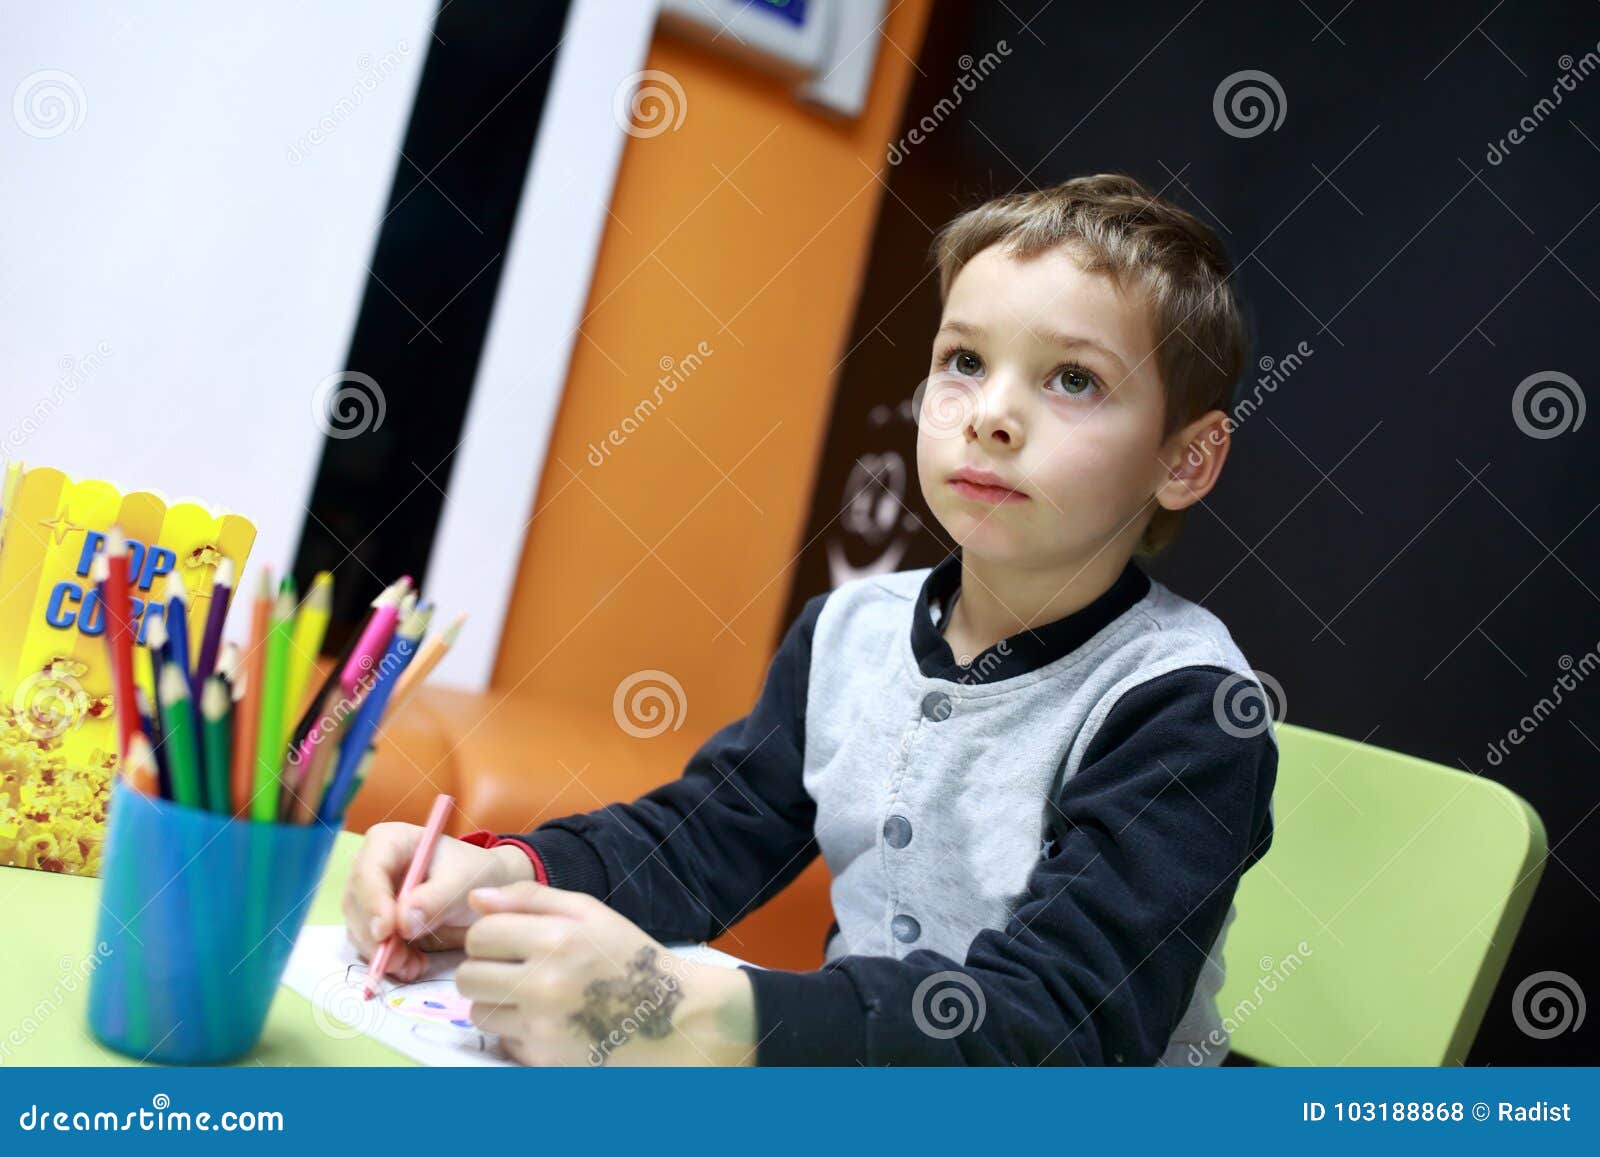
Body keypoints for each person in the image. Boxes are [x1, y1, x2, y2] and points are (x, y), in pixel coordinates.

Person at [343, 173, 1279, 1066]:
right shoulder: (850, 630)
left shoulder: (1189, 712)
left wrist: (689, 1012)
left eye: (1073, 379)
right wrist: (505, 879)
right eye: (964, 360)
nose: (991, 412)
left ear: (1187, 459)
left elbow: (1053, 1031)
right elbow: (707, 837)